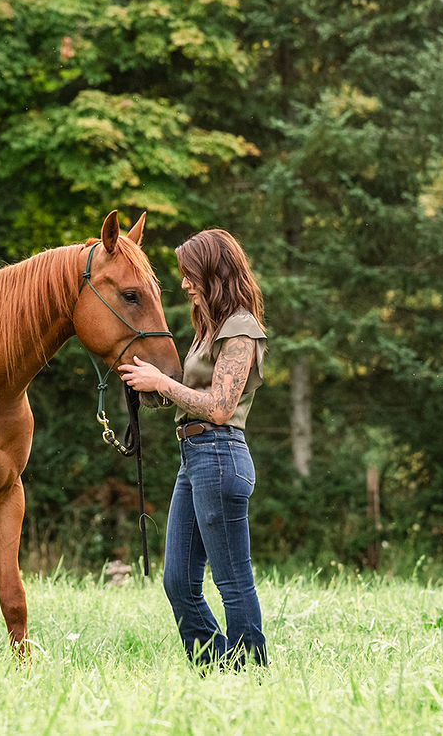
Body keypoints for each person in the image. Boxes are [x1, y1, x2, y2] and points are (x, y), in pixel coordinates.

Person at [119, 228, 269, 670]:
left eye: (190, 274)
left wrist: (163, 382)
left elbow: (221, 408)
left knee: (232, 581)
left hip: (220, 456)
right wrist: (148, 383)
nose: (184, 283)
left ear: (213, 272)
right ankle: (220, 667)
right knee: (179, 580)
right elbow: (193, 392)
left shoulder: (242, 329)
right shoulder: (211, 329)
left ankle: (250, 674)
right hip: (195, 458)